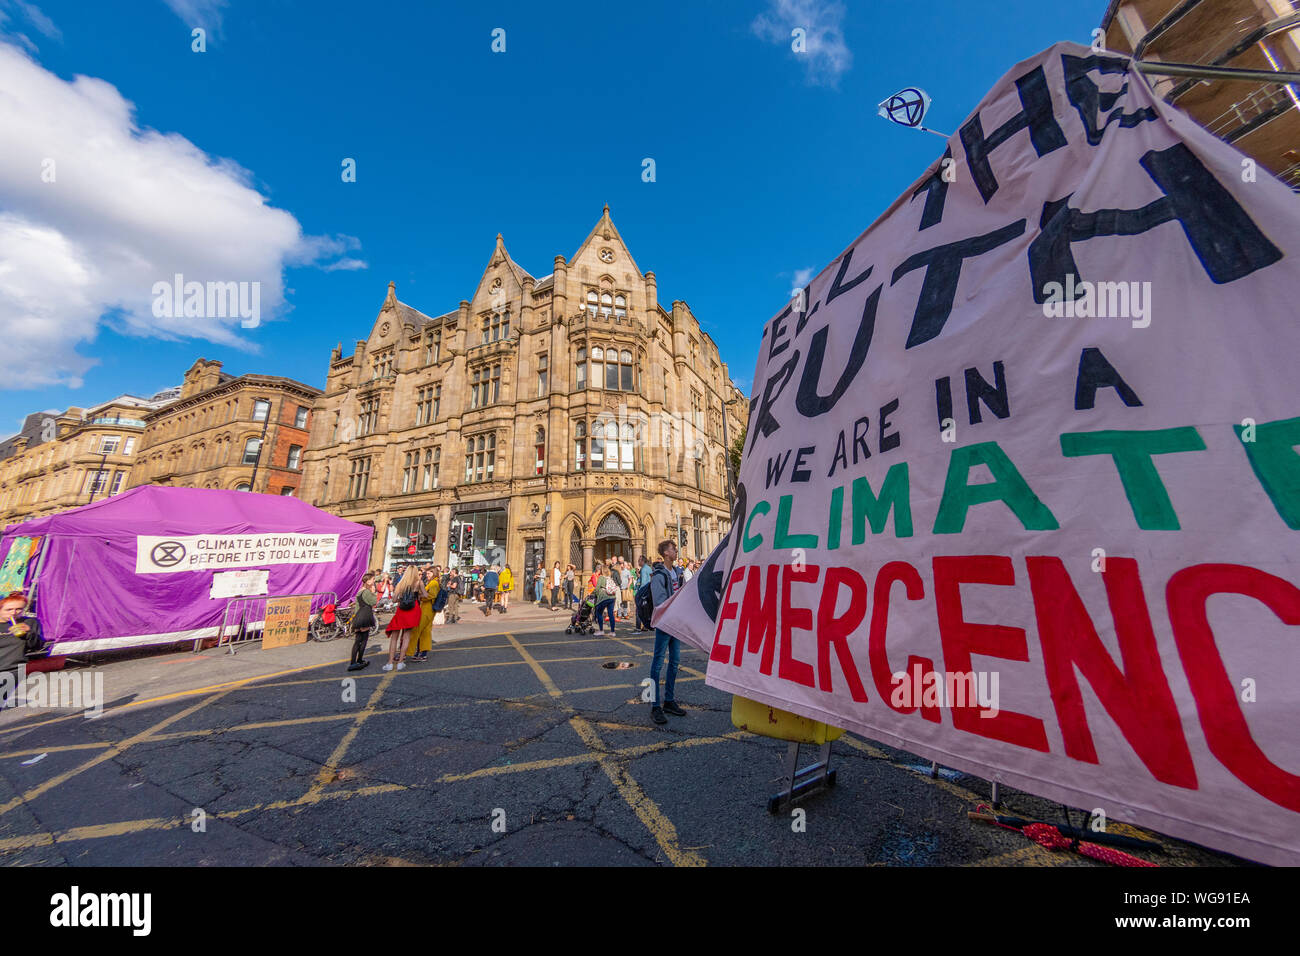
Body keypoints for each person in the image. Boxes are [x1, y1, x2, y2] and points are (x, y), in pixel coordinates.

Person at [647, 539, 684, 725]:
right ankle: (655, 706)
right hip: (664, 624)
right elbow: (660, 603)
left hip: (675, 623)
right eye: (673, 548)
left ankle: (669, 701)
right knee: (658, 663)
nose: (676, 551)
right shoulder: (659, 575)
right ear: (666, 554)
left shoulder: (676, 573)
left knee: (675, 661)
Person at [0, 591, 45, 696]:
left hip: (11, 670)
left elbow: (37, 646)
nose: (14, 613)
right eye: (9, 609)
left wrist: (29, 633)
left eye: (19, 609)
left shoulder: (29, 623)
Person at [384, 567, 423, 670]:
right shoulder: (418, 583)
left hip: (401, 610)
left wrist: (401, 598)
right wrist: (418, 595)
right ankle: (401, 662)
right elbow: (425, 594)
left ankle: (390, 663)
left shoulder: (401, 583)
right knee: (406, 637)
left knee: (394, 638)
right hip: (413, 609)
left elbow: (394, 599)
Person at [347, 577, 377, 671]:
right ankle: (359, 660)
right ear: (367, 581)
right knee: (364, 639)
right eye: (373, 579)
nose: (374, 581)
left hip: (359, 615)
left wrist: (355, 619)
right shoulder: (367, 592)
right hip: (365, 615)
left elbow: (357, 606)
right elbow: (373, 602)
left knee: (357, 640)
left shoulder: (360, 591)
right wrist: (373, 592)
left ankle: (353, 662)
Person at [408, 569, 437, 662]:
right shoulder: (432, 582)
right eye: (427, 573)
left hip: (426, 610)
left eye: (429, 573)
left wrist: (421, 597)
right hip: (428, 609)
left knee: (418, 630)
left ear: (434, 573)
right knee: (425, 632)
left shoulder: (433, 583)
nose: (427, 575)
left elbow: (431, 595)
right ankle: (422, 653)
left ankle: (411, 651)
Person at [593, 563, 618, 635]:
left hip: (604, 598)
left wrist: (594, 594)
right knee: (611, 614)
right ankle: (612, 632)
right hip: (612, 597)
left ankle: (601, 630)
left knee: (599, 612)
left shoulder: (601, 577)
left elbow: (597, 588)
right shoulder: (610, 577)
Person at [635, 555, 652, 632]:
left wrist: (639, 594)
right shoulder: (648, 568)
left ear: (643, 561)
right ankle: (646, 625)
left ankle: (638, 627)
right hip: (649, 590)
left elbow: (643, 582)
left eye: (639, 560)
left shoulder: (644, 569)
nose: (638, 562)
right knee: (647, 609)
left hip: (644, 591)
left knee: (639, 609)